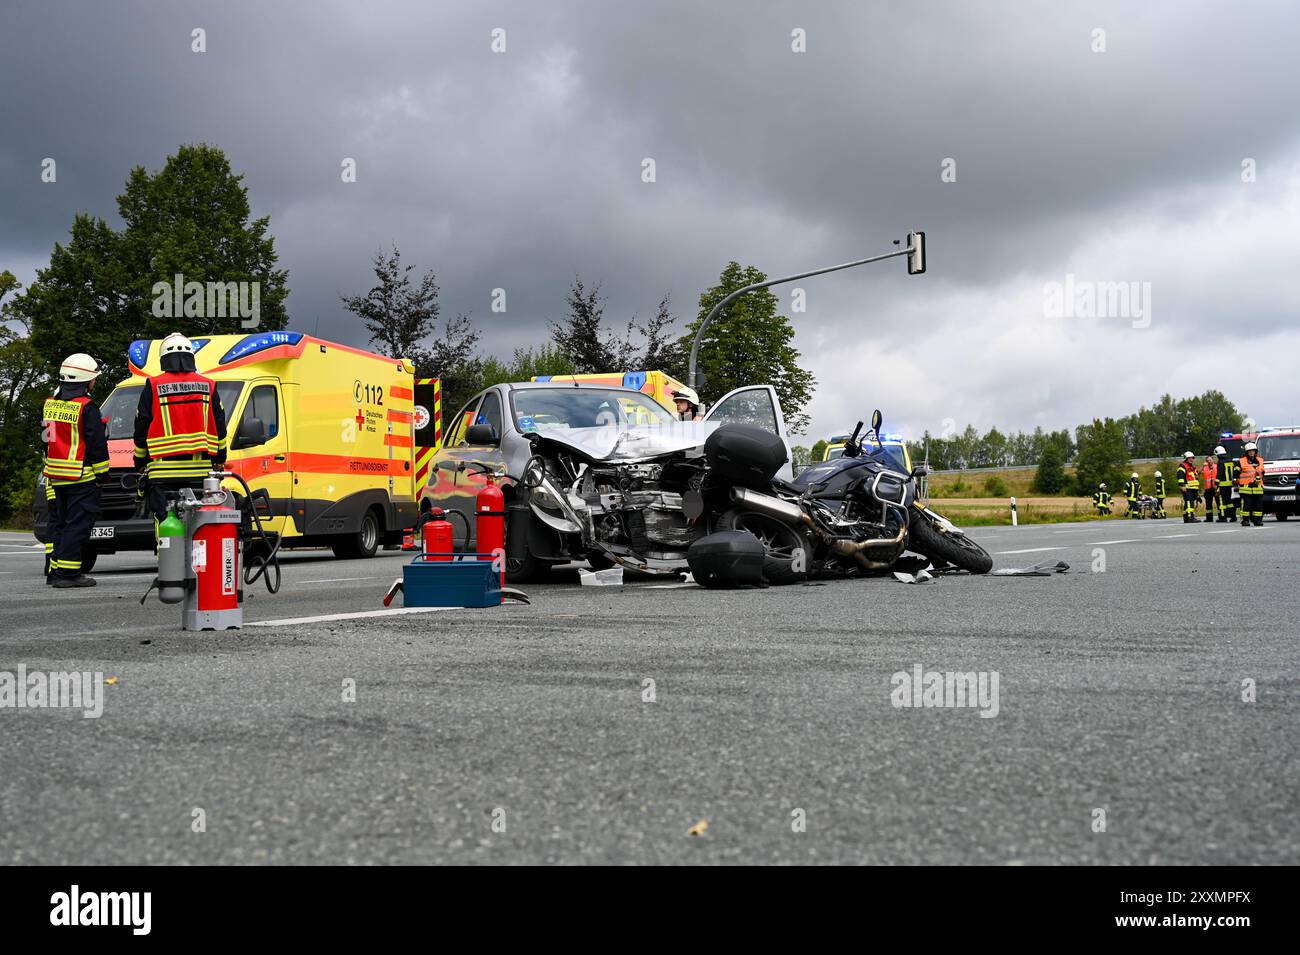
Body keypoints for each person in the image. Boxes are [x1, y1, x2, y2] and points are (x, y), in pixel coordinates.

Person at [133, 333, 227, 528]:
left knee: (166, 523)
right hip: (199, 471)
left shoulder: (153, 385)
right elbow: (220, 426)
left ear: (163, 359)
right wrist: (219, 459)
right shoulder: (208, 385)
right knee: (198, 523)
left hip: (162, 473)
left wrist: (140, 461)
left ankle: (168, 558)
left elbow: (142, 424)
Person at [41, 354, 110, 588]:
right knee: (77, 526)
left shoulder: (50, 404)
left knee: (61, 524)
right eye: (94, 379)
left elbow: (45, 440)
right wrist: (102, 474)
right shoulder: (87, 407)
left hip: (57, 477)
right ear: (85, 380)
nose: (95, 383)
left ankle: (55, 571)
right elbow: (96, 444)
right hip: (81, 478)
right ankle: (68, 574)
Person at [1238, 441, 1265, 527]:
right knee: (1246, 505)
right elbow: (1236, 471)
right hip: (1246, 488)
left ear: (1255, 451)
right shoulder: (1241, 461)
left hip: (1258, 487)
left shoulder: (1260, 460)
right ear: (1246, 452)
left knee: (1258, 505)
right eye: (1249, 451)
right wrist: (1235, 479)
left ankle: (1257, 521)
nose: (1251, 452)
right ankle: (1245, 520)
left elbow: (1263, 472)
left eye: (1253, 451)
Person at [1215, 445, 1238, 523]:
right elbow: (1235, 470)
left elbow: (1219, 474)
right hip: (1230, 485)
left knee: (1222, 502)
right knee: (1230, 502)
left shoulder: (1220, 462)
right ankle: (1233, 517)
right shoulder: (1231, 460)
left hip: (1223, 485)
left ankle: (1222, 517)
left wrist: (1216, 483)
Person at [1176, 451, 1201, 523]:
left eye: (1192, 458)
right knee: (1190, 503)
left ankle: (1186, 517)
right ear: (1186, 458)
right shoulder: (1182, 466)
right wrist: (1182, 486)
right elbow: (1180, 476)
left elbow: (1195, 477)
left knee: (1188, 503)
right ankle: (1190, 517)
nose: (1191, 459)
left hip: (1193, 488)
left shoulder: (1192, 467)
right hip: (1187, 488)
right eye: (1189, 458)